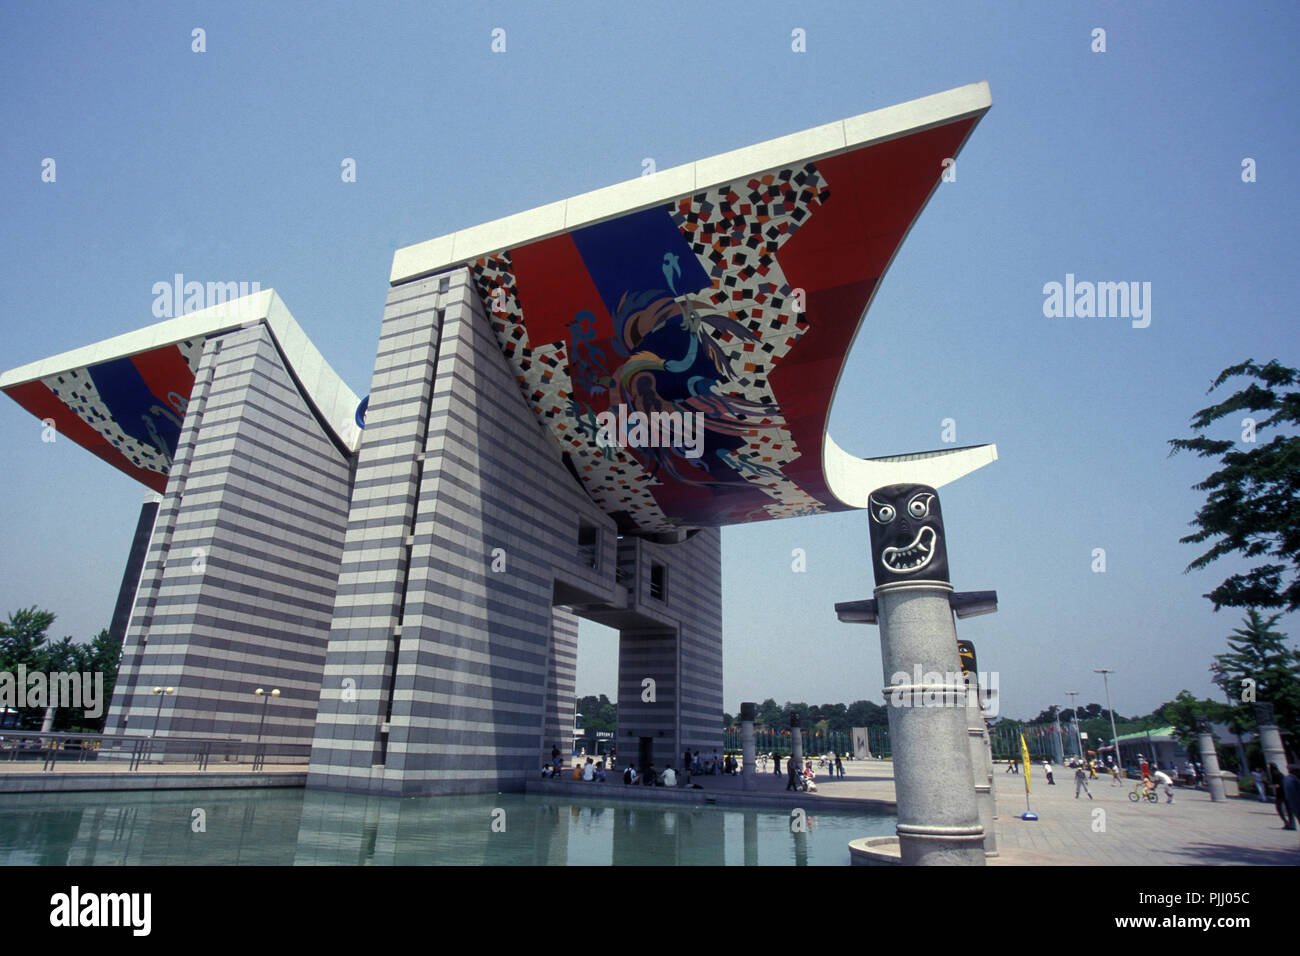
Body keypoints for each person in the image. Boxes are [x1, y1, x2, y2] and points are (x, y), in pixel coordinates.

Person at [1270, 763, 1296, 829]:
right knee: (1289, 809)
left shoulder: (1275, 774)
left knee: (1279, 809)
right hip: (1286, 793)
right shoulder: (1280, 773)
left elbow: (1279, 785)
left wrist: (1272, 786)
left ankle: (1287, 823)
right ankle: (1292, 824)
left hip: (1280, 794)